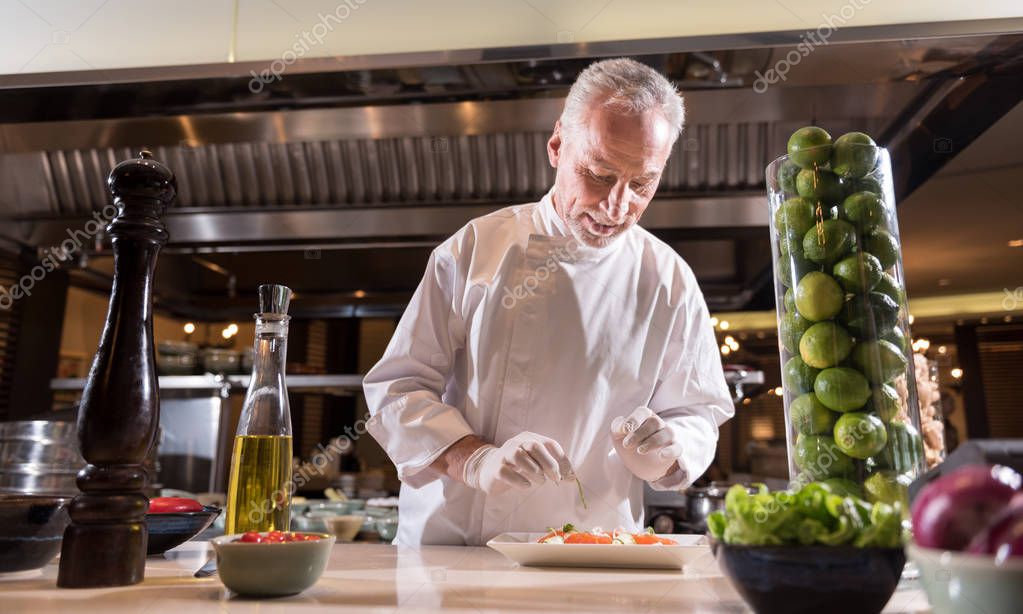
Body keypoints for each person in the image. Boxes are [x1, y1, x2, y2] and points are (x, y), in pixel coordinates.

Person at [363, 58, 733, 546]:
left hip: (594, 556)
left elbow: (698, 413)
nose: (617, 206)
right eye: (599, 175)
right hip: (454, 555)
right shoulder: (476, 249)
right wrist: (475, 459)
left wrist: (665, 451)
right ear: (558, 145)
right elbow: (398, 389)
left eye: (642, 184)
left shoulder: (669, 281)